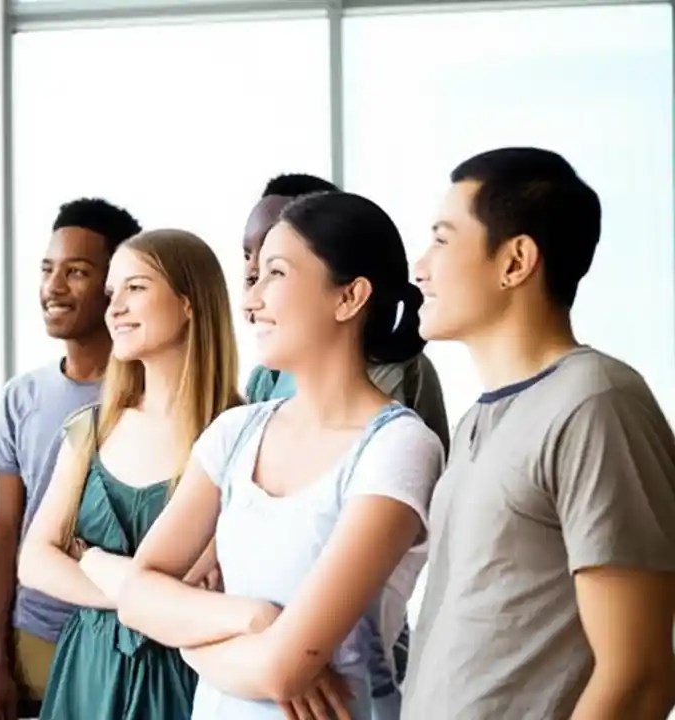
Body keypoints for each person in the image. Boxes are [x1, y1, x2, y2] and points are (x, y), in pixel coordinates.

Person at [118, 192, 445, 720]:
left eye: (275, 273)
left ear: (349, 297)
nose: (250, 301)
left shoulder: (399, 448)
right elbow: (136, 595)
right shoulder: (236, 432)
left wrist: (187, 637)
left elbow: (283, 672)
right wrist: (254, 619)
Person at [403, 147, 675, 719]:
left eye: (442, 240)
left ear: (516, 261)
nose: (420, 268)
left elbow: (639, 675)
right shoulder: (479, 418)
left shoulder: (596, 402)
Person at [16, 229, 242, 720]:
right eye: (111, 291)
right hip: (87, 672)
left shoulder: (242, 434)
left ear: (188, 303)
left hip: (189, 677)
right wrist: (147, 597)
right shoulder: (90, 429)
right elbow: (33, 561)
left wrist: (90, 558)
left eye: (135, 288)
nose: (113, 308)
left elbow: (208, 582)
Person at [0, 197, 141, 720]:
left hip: (124, 637)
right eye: (48, 269)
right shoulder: (22, 396)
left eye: (77, 272)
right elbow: (5, 530)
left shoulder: (152, 397)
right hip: (36, 638)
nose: (54, 286)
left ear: (116, 286)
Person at [243, 174, 450, 455]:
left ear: (349, 296)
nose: (252, 275)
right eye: (248, 255)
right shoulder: (252, 402)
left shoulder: (396, 435)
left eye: (277, 270)